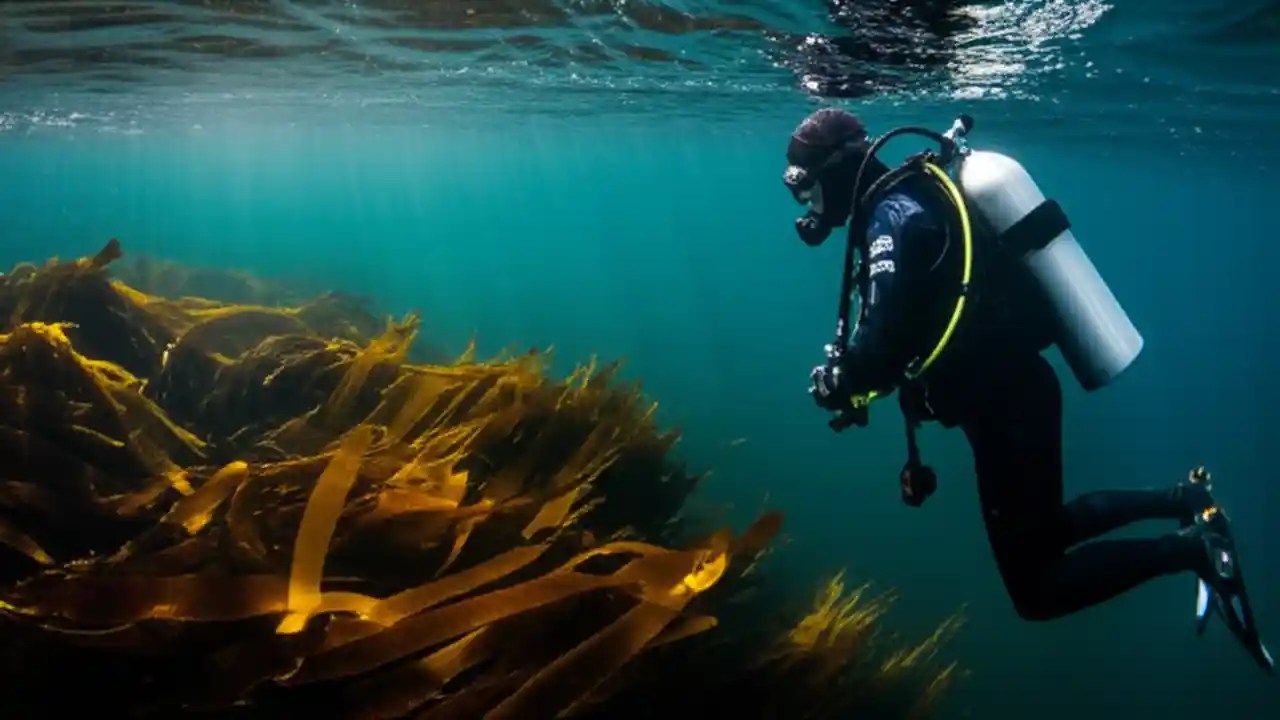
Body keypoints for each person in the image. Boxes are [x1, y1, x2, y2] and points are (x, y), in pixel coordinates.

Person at [781, 106, 1272, 672]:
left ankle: (1195, 549)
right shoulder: (906, 197)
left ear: (837, 172)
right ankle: (1185, 501)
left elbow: (880, 344)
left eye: (805, 187)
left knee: (1036, 590)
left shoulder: (892, 218)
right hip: (1012, 397)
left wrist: (840, 381)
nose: (808, 205)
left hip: (1005, 409)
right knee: (1048, 529)